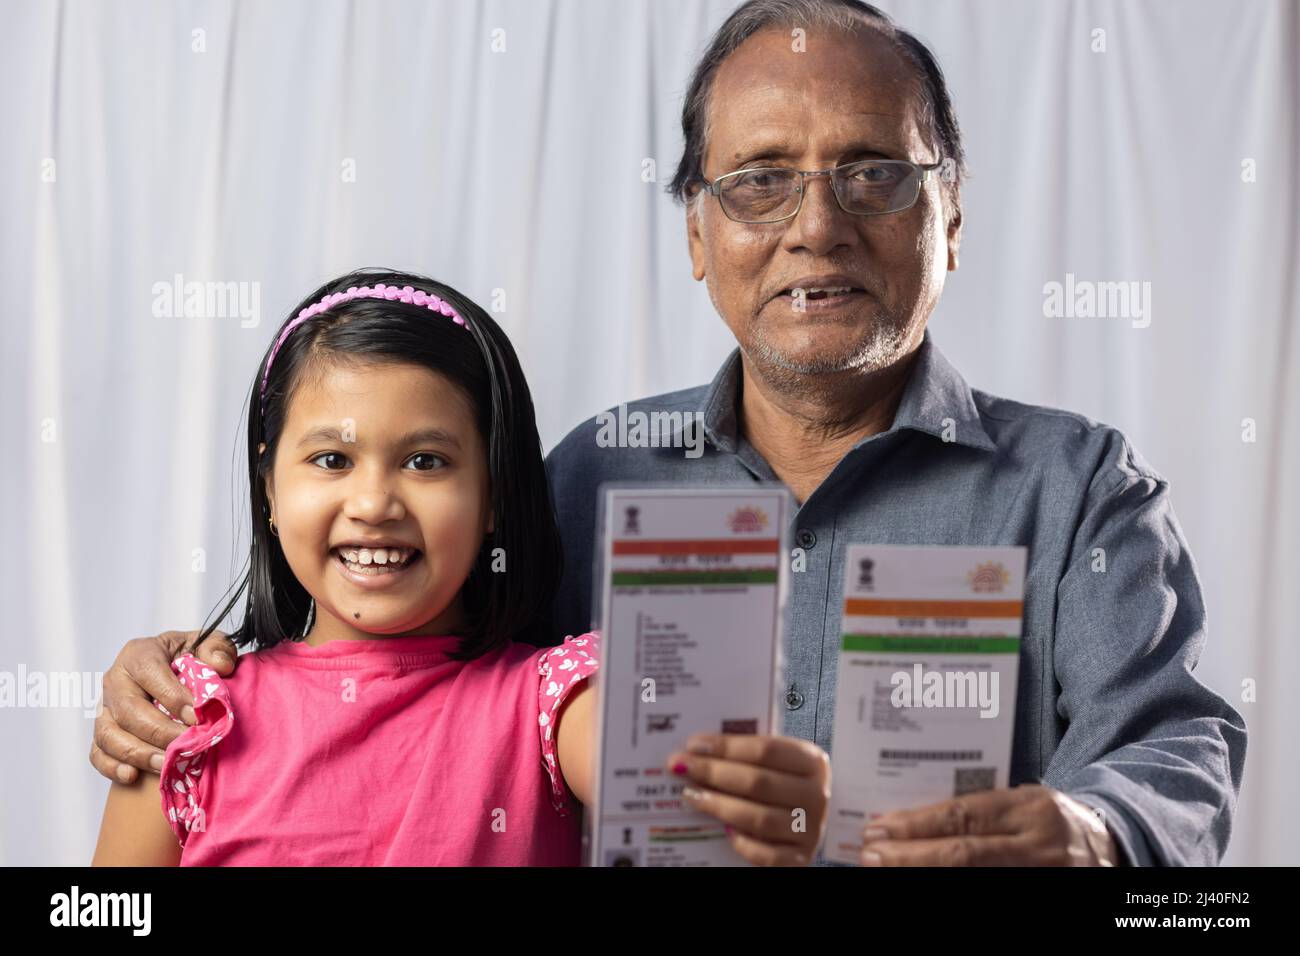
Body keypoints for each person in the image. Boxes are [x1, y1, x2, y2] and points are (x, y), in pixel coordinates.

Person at [92, 0, 1246, 866]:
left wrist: (1089, 830)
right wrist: (181, 673)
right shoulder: (591, 474)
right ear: (697, 233)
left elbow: (1178, 755)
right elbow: (393, 651)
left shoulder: (1076, 488)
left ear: (951, 212)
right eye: (757, 181)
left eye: (872, 173)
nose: (815, 224)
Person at [90, 269, 830, 866]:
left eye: (426, 461)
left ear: (496, 498)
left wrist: (743, 795)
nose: (374, 501)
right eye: (331, 460)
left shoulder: (554, 699)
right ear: (271, 489)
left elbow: (660, 762)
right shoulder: (190, 719)